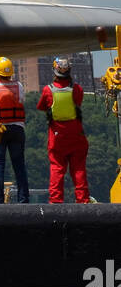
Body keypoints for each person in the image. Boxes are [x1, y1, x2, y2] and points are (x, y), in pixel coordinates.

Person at [36, 56, 91, 203]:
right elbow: (78, 101)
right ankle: (83, 200)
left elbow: (41, 106)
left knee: (57, 167)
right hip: (76, 134)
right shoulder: (77, 89)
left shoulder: (48, 90)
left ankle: (55, 200)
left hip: (57, 135)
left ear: (54, 71)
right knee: (78, 168)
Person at [0, 56, 29, 204]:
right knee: (19, 164)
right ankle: (23, 199)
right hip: (17, 128)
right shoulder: (19, 86)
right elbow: (21, 101)